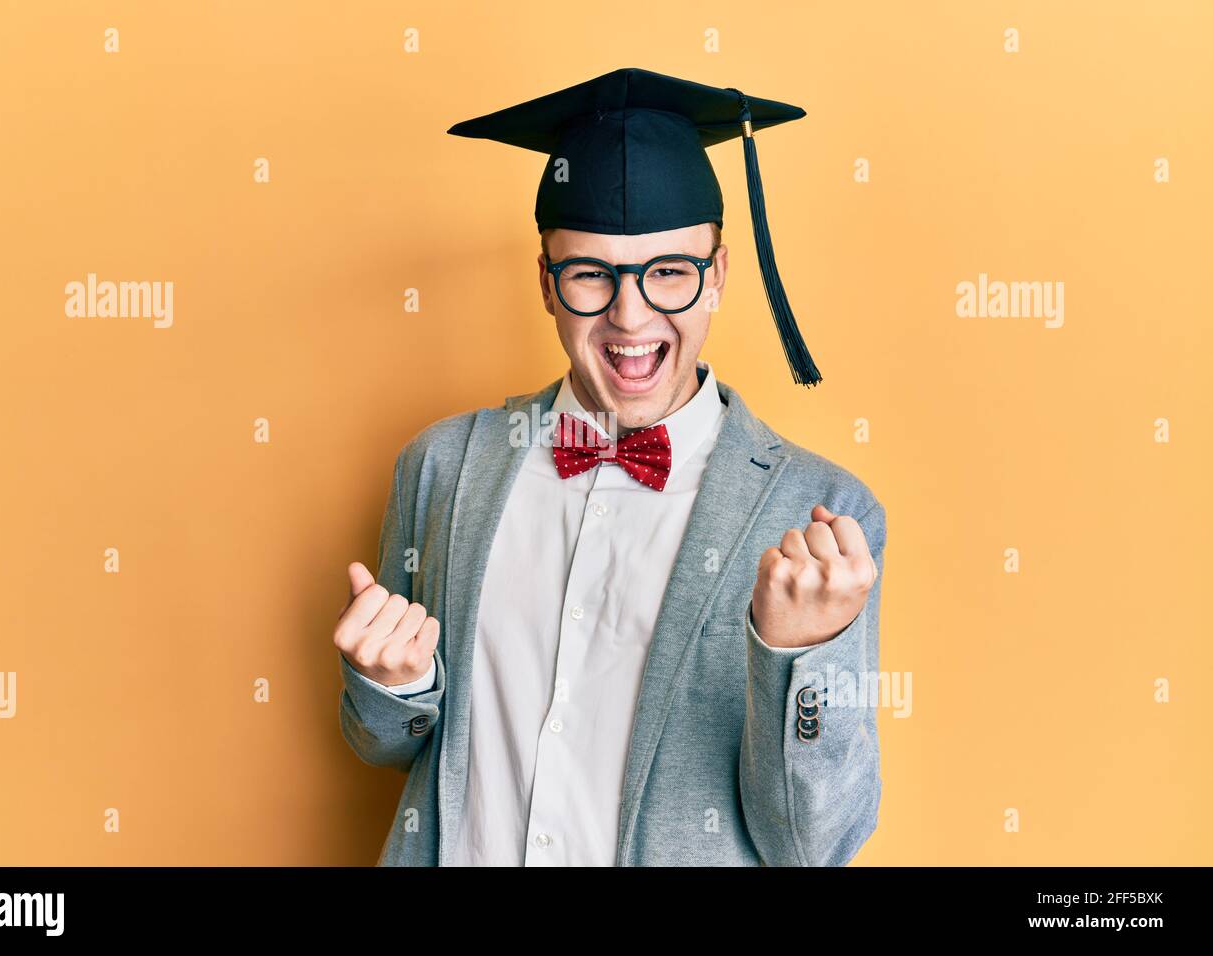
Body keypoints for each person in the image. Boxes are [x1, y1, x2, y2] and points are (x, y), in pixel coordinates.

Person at [334, 67, 887, 866]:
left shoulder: (822, 514)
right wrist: (392, 686)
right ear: (547, 285)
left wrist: (795, 659)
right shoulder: (443, 467)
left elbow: (813, 843)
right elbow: (381, 744)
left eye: (669, 272)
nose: (631, 317)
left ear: (719, 277)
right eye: (591, 274)